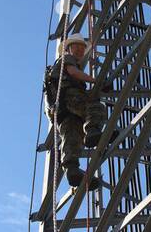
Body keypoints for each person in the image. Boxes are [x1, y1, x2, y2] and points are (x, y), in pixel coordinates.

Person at [44, 34, 112, 189]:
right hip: (68, 96)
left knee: (72, 136)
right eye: (77, 47)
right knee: (94, 106)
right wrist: (97, 82)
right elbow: (73, 73)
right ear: (68, 49)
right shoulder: (66, 59)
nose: (81, 50)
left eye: (82, 48)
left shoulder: (56, 68)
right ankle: (93, 131)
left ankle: (72, 170)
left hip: (59, 110)